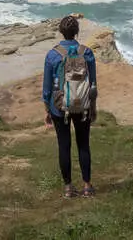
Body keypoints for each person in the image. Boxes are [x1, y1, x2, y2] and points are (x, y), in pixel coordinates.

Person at [42, 15, 97, 198]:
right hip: (82, 105)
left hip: (59, 106)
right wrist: (93, 107)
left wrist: (47, 109)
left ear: (61, 32)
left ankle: (68, 188)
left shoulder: (52, 55)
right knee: (84, 145)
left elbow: (47, 87)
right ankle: (87, 186)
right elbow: (93, 85)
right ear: (77, 32)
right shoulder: (86, 53)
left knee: (64, 146)